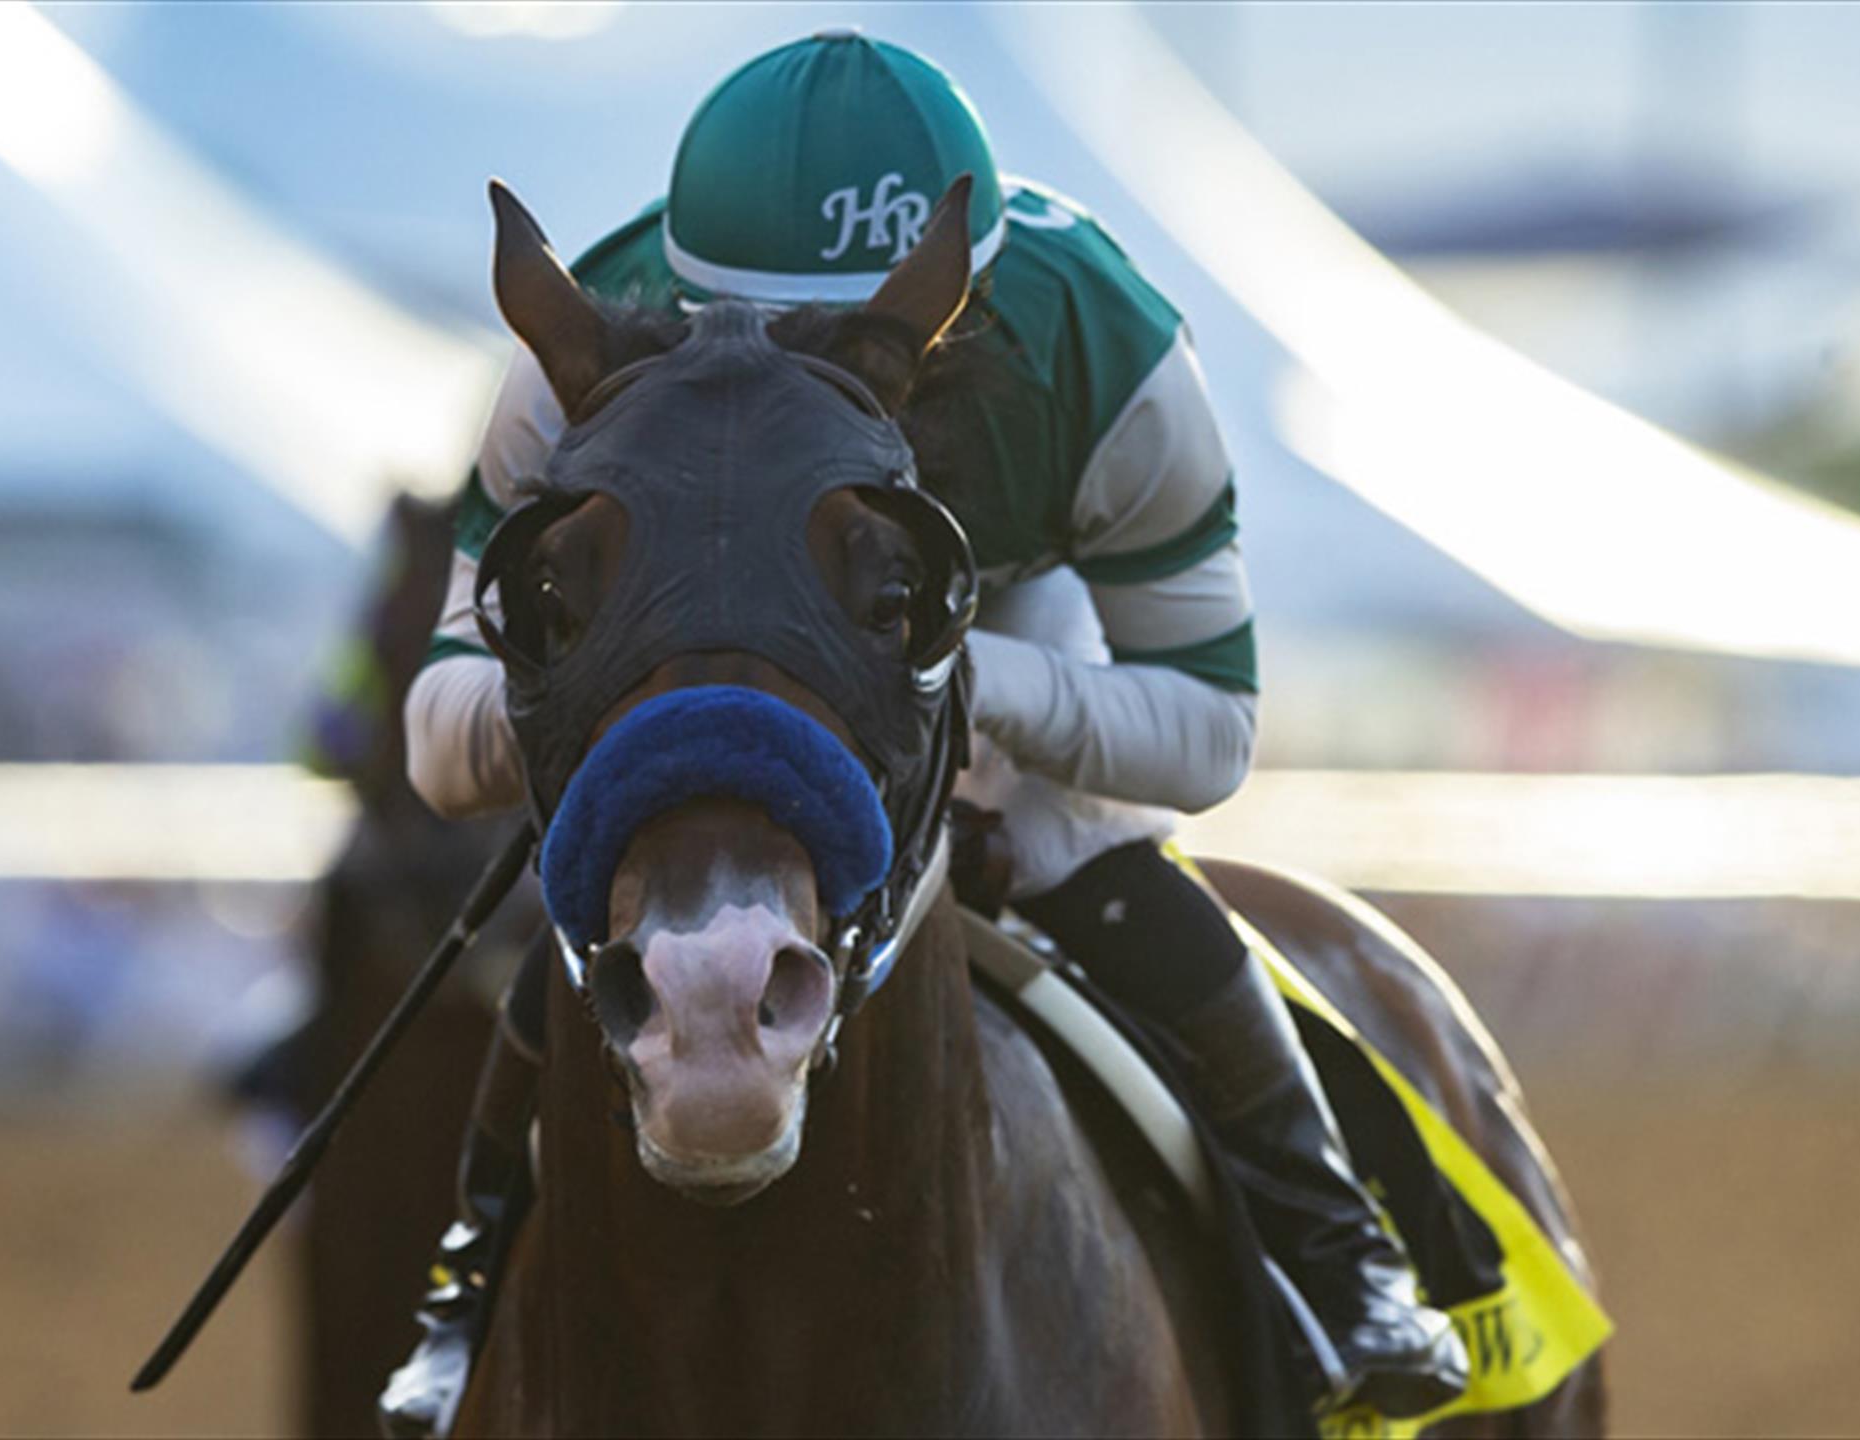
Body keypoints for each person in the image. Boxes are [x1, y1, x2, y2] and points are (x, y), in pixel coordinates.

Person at [388, 30, 1468, 1430]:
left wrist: (969, 699)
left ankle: (1343, 1257)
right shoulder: (587, 348)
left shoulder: (1110, 354)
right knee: (596, 912)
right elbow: (432, 734)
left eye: (848, 357)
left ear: (958, 311)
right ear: (682, 290)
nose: (793, 392)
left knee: (1102, 866)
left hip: (1004, 627)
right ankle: (465, 1286)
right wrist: (576, 716)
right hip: (714, 674)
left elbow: (1208, 735)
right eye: (761, 345)